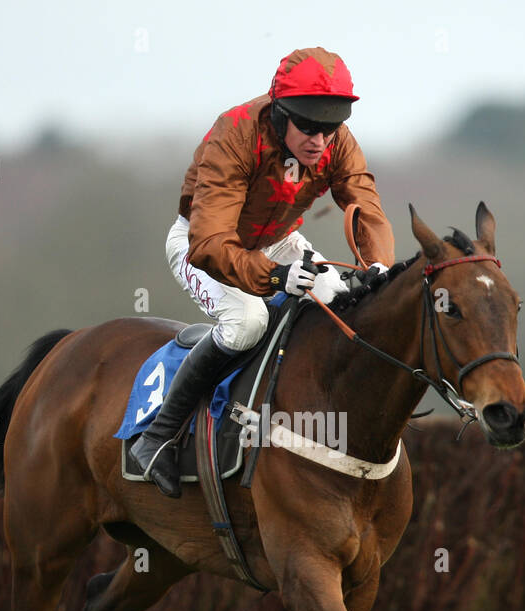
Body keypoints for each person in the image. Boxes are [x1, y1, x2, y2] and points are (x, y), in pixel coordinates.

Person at [130, 46, 396, 497]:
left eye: (329, 130)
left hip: (278, 240)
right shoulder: (234, 134)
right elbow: (210, 241)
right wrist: (273, 278)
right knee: (247, 322)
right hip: (203, 243)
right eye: (308, 128)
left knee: (335, 297)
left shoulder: (336, 142)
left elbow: (362, 203)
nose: (319, 142)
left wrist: (378, 264)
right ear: (280, 113)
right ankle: (157, 437)